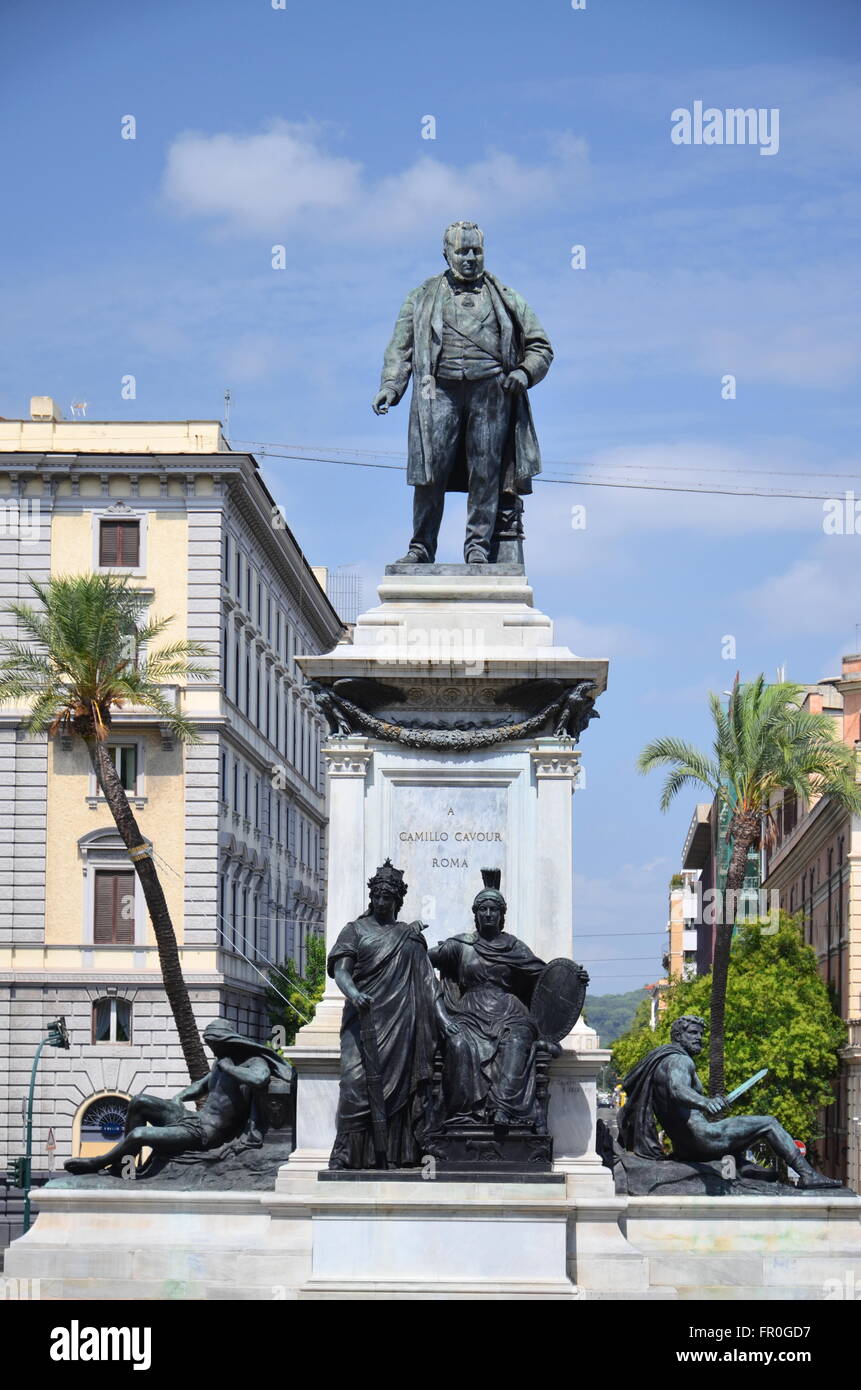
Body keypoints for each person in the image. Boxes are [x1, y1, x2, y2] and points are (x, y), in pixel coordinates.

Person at [372, 220, 553, 564]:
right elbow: (401, 348)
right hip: (437, 391)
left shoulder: (506, 297)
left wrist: (524, 372)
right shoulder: (421, 296)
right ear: (447, 254)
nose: (470, 258)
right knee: (430, 472)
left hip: (491, 391)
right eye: (462, 251)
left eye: (476, 251)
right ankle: (421, 547)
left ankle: (477, 548)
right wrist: (391, 385)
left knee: (485, 472)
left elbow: (540, 346)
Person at [619, 1014, 841, 1188]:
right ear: (678, 1037)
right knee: (769, 1123)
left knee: (740, 1135)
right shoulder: (679, 1061)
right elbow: (677, 1089)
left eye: (701, 1034)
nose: (699, 1038)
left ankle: (745, 1169)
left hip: (685, 1145)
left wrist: (705, 1102)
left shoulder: (661, 1061)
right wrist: (705, 1102)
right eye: (693, 1033)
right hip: (704, 1138)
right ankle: (808, 1175)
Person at [328, 859, 445, 1168]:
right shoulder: (354, 930)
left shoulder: (408, 936)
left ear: (398, 901)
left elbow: (427, 983)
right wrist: (354, 993)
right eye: (377, 896)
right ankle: (346, 1154)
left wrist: (444, 1018)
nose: (381, 902)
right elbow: (341, 971)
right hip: (362, 1018)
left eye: (387, 897)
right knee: (354, 1084)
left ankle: (393, 1154)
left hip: (401, 1021)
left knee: (398, 1089)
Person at [64, 1019, 292, 1175]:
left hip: (207, 1132)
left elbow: (259, 1079)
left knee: (140, 1134)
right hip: (193, 1118)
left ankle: (98, 1162)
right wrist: (179, 1098)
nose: (212, 1050)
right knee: (139, 1101)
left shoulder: (252, 1062)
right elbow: (201, 1085)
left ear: (226, 1041)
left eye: (214, 1045)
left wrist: (229, 1068)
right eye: (209, 1045)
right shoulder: (222, 1062)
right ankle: (124, 1165)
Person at [429, 870, 558, 1127]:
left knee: (518, 1040)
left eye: (494, 910)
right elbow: (421, 960)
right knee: (459, 1045)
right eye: (483, 909)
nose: (488, 914)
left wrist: (572, 978)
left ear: (502, 915)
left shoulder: (514, 946)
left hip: (509, 1012)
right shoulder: (461, 945)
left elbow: (545, 976)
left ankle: (504, 1109)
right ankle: (464, 1115)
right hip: (468, 1013)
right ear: (475, 915)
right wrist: (440, 1009)